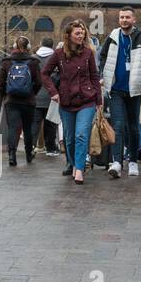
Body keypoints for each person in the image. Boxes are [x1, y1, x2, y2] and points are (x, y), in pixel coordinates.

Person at [41, 19, 102, 184]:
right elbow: (44, 73)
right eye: (77, 33)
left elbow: (94, 76)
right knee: (69, 138)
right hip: (66, 102)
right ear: (68, 35)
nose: (80, 35)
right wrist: (53, 92)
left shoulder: (88, 53)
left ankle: (80, 169)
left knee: (81, 135)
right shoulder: (59, 54)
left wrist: (99, 99)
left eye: (82, 33)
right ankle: (74, 164)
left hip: (86, 100)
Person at [98, 6, 141, 179]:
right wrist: (103, 75)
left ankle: (134, 161)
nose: (124, 20)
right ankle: (117, 162)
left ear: (134, 20)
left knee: (133, 127)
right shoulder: (112, 37)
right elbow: (103, 57)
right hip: (116, 89)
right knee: (118, 126)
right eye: (121, 17)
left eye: (127, 17)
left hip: (134, 90)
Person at [0, 34, 42, 167]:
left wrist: (8, 91)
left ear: (15, 47)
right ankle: (28, 154)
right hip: (28, 101)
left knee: (13, 128)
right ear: (28, 47)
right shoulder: (33, 62)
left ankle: (12, 155)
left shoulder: (6, 62)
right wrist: (32, 93)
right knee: (27, 128)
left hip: (11, 101)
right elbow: (39, 82)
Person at [34, 36, 60, 156]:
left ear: (40, 44)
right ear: (52, 45)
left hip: (36, 96)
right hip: (52, 96)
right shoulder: (55, 58)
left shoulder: (33, 59)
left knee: (34, 123)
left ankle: (31, 146)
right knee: (51, 124)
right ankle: (51, 148)